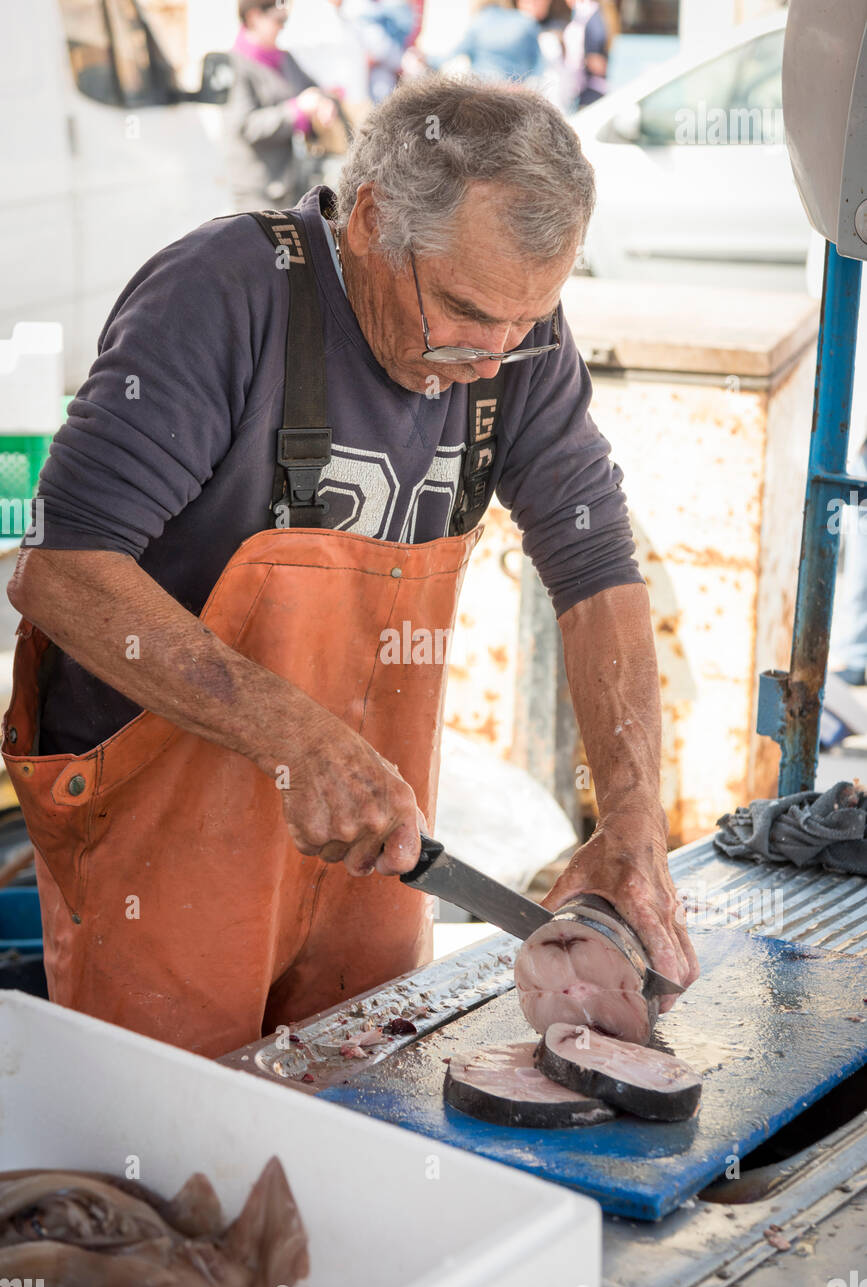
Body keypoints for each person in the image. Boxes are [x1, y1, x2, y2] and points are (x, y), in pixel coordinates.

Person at [4, 75, 698, 1058]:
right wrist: (294, 733)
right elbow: (62, 569)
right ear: (371, 219)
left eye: (528, 319)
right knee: (169, 1165)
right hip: (166, 847)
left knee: (367, 1113)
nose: (497, 356)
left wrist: (632, 820)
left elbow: (595, 570)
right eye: (465, 309)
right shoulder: (223, 296)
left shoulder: (512, 341)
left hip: (369, 845)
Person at [223, 0, 339, 210]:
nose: (283, 27)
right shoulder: (235, 65)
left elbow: (314, 88)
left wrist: (324, 102)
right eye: (279, 20)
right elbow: (246, 125)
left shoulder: (284, 59)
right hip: (258, 190)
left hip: (291, 181)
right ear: (254, 16)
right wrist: (297, 110)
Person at [447, 0, 544, 83]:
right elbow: (539, 65)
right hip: (514, 94)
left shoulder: (479, 22)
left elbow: (453, 53)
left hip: (480, 90)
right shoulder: (525, 21)